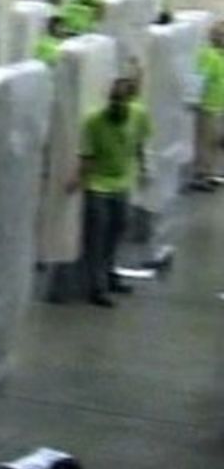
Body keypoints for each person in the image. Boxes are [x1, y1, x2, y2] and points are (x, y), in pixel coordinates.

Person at [71, 78, 152, 307]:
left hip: (121, 184)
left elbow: (139, 144)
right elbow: (87, 155)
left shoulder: (138, 115)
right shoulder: (94, 121)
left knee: (116, 233)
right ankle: (97, 287)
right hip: (98, 186)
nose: (117, 105)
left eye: (121, 101)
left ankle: (108, 274)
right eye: (113, 100)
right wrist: (78, 178)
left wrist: (144, 168)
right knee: (97, 238)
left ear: (130, 101)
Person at [193, 22, 224, 192]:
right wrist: (193, 99)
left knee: (215, 142)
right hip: (208, 106)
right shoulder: (209, 55)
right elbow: (199, 79)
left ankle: (212, 173)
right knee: (205, 142)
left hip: (219, 107)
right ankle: (201, 175)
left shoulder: (220, 55)